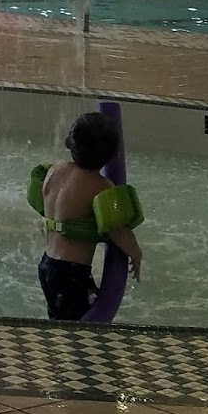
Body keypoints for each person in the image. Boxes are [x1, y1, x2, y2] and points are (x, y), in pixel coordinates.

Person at [32, 110, 145, 321]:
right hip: (71, 274)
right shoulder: (101, 186)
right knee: (86, 330)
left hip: (47, 266)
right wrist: (136, 254)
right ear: (113, 155)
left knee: (61, 322)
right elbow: (117, 230)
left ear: (70, 143)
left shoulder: (55, 170)